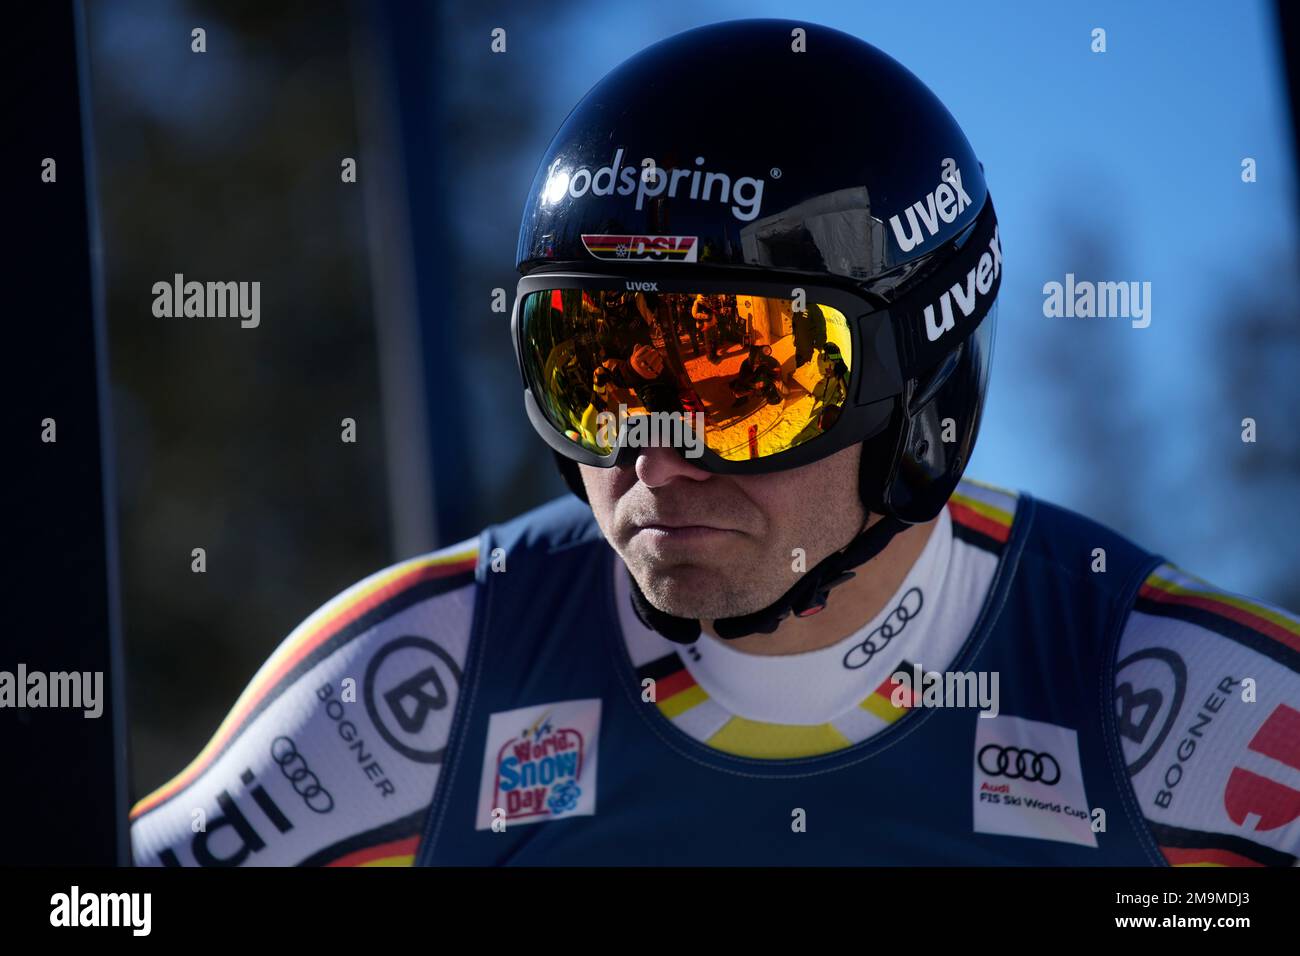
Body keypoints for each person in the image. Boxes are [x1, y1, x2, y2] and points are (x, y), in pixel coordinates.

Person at [131, 20, 1300, 868]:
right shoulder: (430, 679)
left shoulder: (1159, 697)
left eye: (744, 384)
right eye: (596, 371)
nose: (656, 459)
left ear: (918, 393)